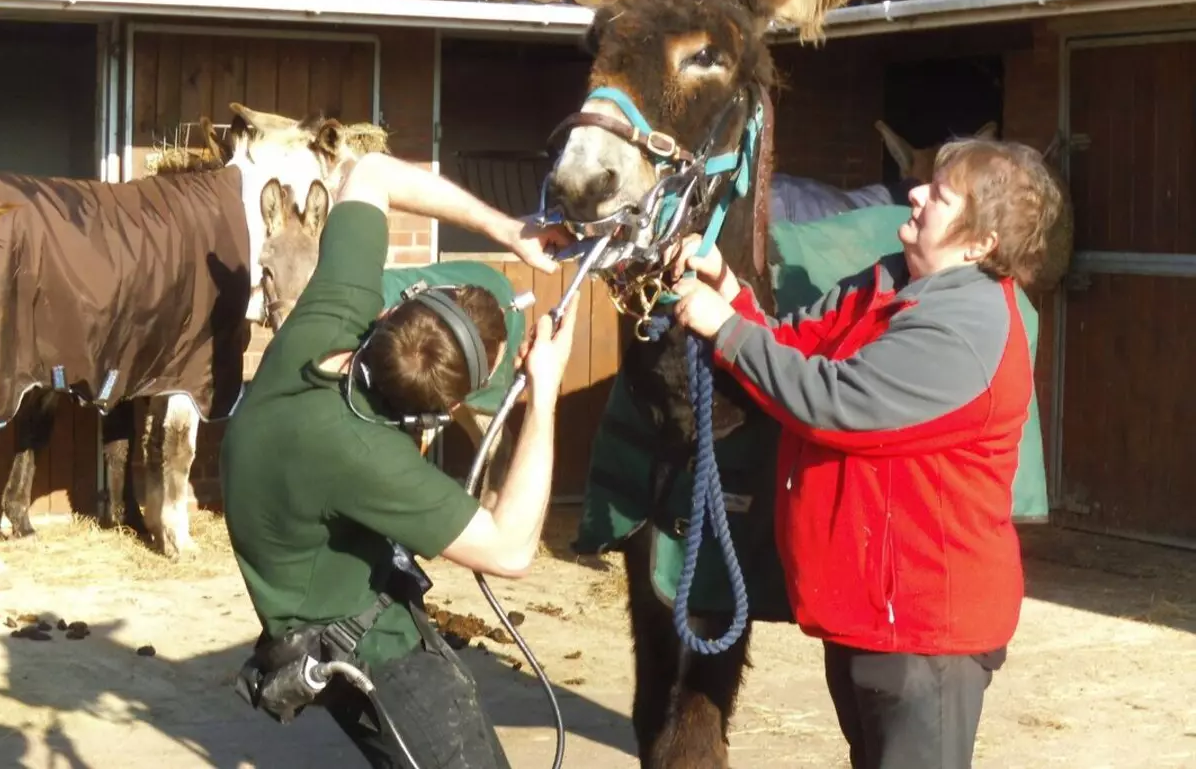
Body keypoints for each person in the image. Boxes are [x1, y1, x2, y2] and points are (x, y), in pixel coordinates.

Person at [667, 138, 1069, 769]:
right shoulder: (889, 280)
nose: (913, 194)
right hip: (867, 613)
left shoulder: (966, 328)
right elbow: (794, 345)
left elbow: (835, 402)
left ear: (980, 243)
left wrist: (725, 329)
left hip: (924, 631)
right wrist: (728, 287)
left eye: (939, 195)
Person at [220, 148, 578, 769]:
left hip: (316, 571)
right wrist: (544, 393)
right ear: (440, 414)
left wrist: (507, 231)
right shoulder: (368, 457)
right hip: (366, 651)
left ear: (391, 312)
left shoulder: (325, 321)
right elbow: (511, 549)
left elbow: (371, 173)